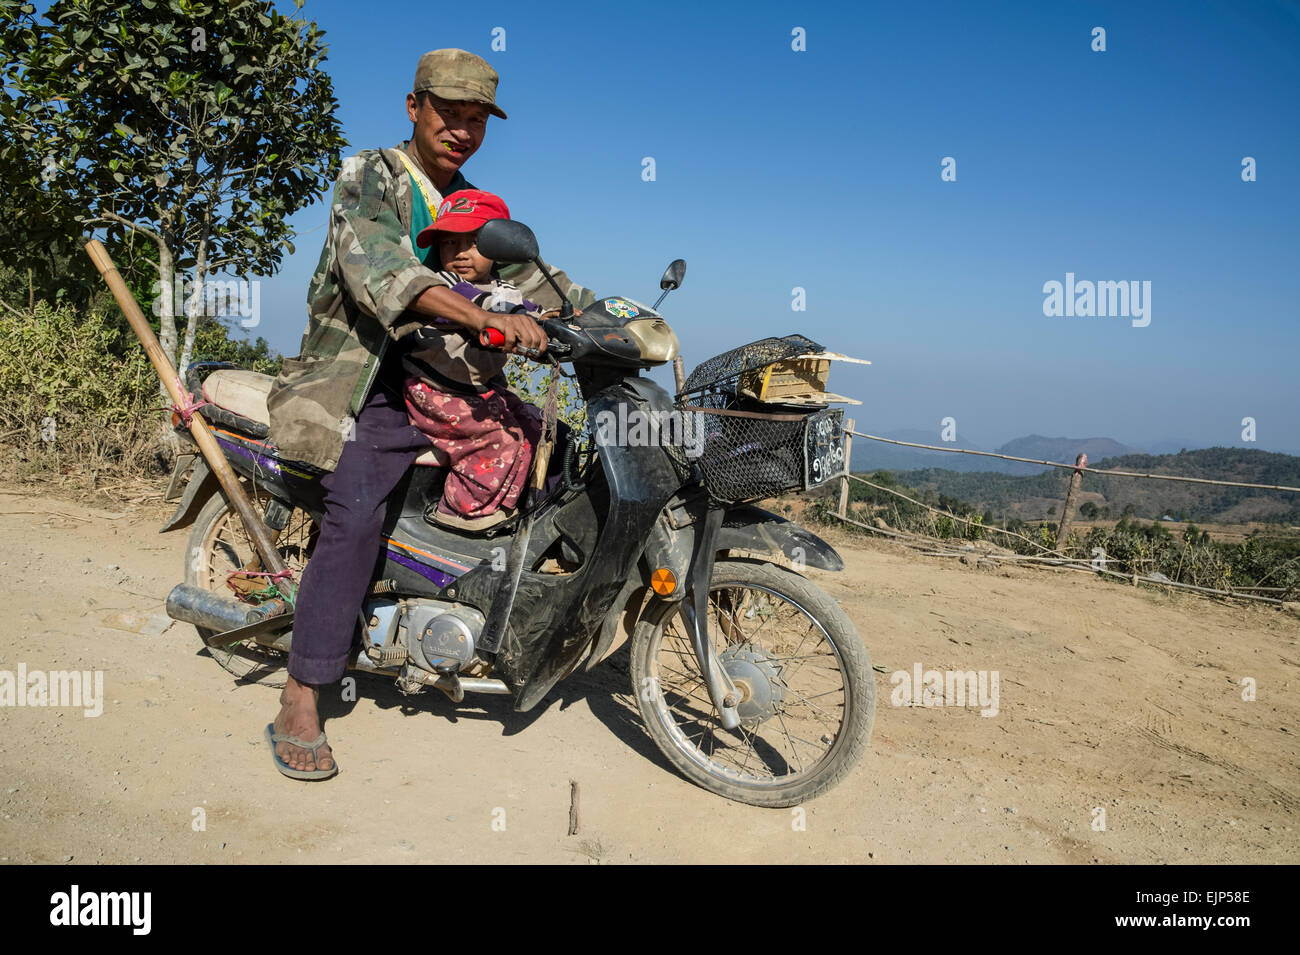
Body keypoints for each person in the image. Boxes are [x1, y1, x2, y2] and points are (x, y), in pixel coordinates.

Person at [263, 49, 593, 779]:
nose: (463, 131)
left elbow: (534, 276)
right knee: (355, 513)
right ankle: (301, 692)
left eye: (477, 121)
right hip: (362, 381)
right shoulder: (369, 178)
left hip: (446, 382)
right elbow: (382, 269)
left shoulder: (472, 208)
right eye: (450, 115)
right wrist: (482, 322)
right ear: (414, 107)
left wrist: (598, 318)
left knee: (562, 455)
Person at [402, 188, 547, 530]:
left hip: (474, 390)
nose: (460, 253)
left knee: (533, 426)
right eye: (449, 243)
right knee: (497, 439)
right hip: (434, 390)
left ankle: (507, 506)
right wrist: (515, 317)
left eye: (473, 242)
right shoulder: (444, 284)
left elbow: (526, 309)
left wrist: (559, 320)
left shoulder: (505, 288)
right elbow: (485, 305)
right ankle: (458, 511)